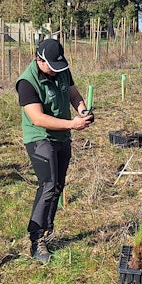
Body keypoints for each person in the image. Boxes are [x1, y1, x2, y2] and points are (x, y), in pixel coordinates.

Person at [16, 38, 93, 263]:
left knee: (58, 185)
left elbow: (73, 94)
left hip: (62, 135)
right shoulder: (27, 83)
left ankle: (48, 231)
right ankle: (36, 240)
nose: (55, 71)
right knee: (48, 185)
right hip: (40, 138)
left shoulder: (61, 70)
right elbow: (38, 119)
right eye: (51, 66)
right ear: (39, 60)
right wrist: (72, 124)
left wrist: (83, 109)